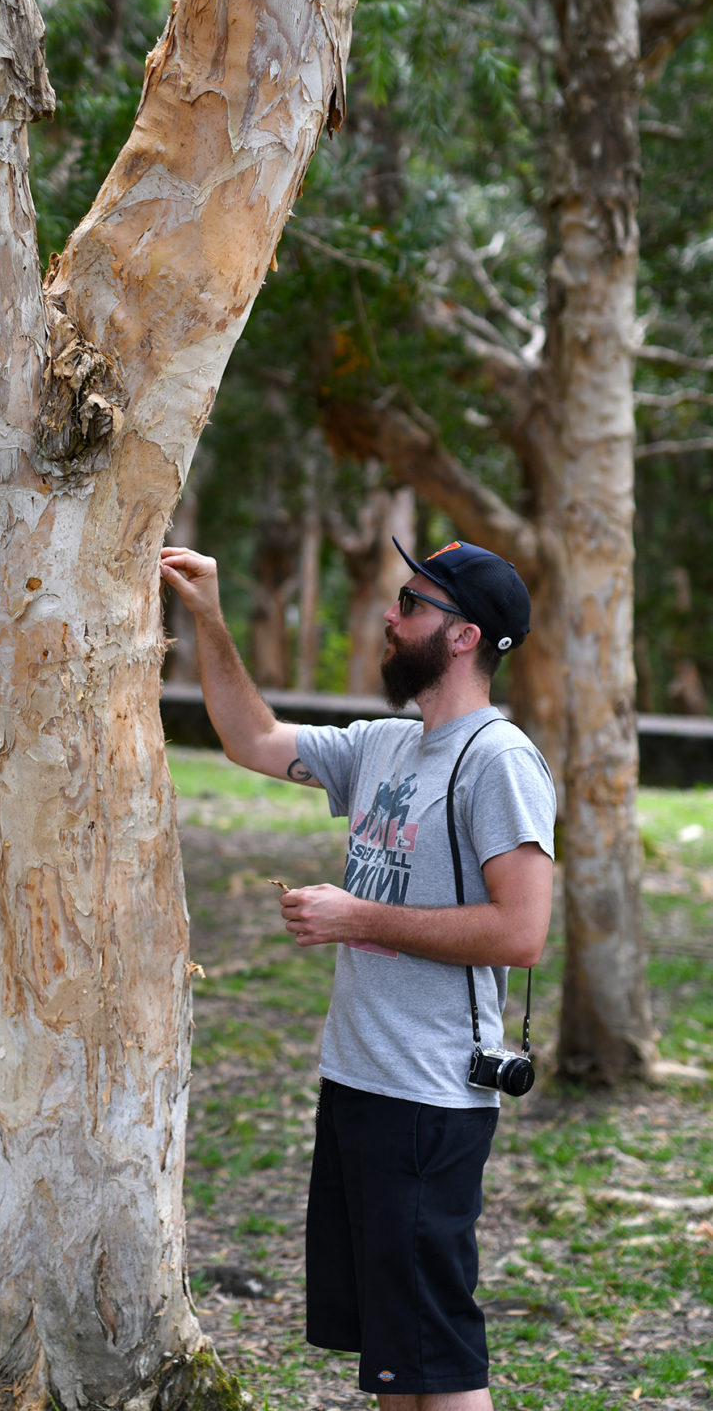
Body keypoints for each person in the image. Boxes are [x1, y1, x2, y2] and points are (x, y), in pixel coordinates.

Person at [160, 535, 557, 1411]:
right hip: (359, 1081)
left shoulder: (498, 760)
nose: (391, 613)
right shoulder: (384, 744)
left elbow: (522, 932)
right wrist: (210, 617)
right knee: (394, 1356)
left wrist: (358, 916)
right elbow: (252, 737)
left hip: (432, 1093)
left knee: (441, 1357)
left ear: (462, 636)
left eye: (412, 604)